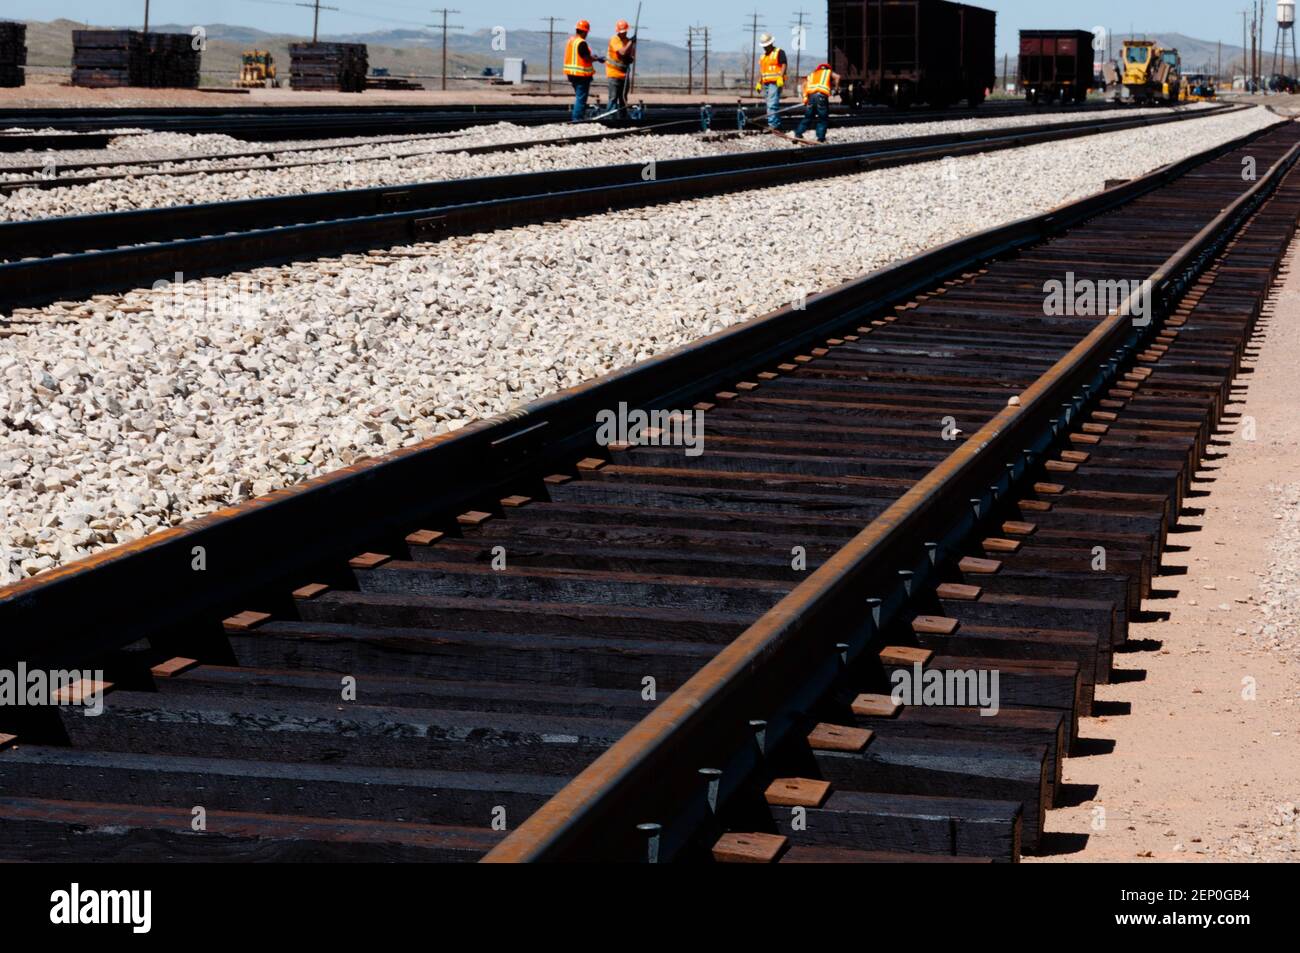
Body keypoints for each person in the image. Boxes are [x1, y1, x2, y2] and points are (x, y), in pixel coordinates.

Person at [564, 20, 606, 122]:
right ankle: (577, 119)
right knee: (581, 99)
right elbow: (586, 57)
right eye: (587, 32)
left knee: (579, 97)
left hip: (571, 74)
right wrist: (597, 59)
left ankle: (577, 118)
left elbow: (580, 56)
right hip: (581, 75)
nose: (587, 34)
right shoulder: (581, 43)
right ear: (584, 31)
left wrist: (593, 57)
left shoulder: (571, 41)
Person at [794, 62, 839, 143]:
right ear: (827, 68)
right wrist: (836, 89)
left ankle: (798, 134)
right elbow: (838, 77)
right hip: (821, 97)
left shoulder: (812, 74)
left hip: (811, 97)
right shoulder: (828, 72)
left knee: (808, 117)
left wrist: (805, 98)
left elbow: (804, 84)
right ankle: (820, 138)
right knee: (822, 119)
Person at [754, 34, 787, 131]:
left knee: (772, 104)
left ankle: (773, 125)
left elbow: (784, 65)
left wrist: (780, 77)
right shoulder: (763, 56)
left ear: (771, 43)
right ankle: (777, 125)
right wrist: (759, 82)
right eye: (764, 46)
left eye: (766, 45)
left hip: (775, 82)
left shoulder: (779, 52)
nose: (765, 47)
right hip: (767, 83)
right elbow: (762, 70)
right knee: (770, 104)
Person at [606, 19, 636, 119]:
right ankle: (610, 119)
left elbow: (631, 57)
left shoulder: (628, 42)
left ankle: (622, 119)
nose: (623, 33)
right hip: (614, 73)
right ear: (617, 31)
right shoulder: (614, 40)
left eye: (624, 32)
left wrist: (630, 58)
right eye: (621, 32)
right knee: (613, 98)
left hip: (624, 75)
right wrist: (631, 42)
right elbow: (622, 52)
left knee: (623, 98)